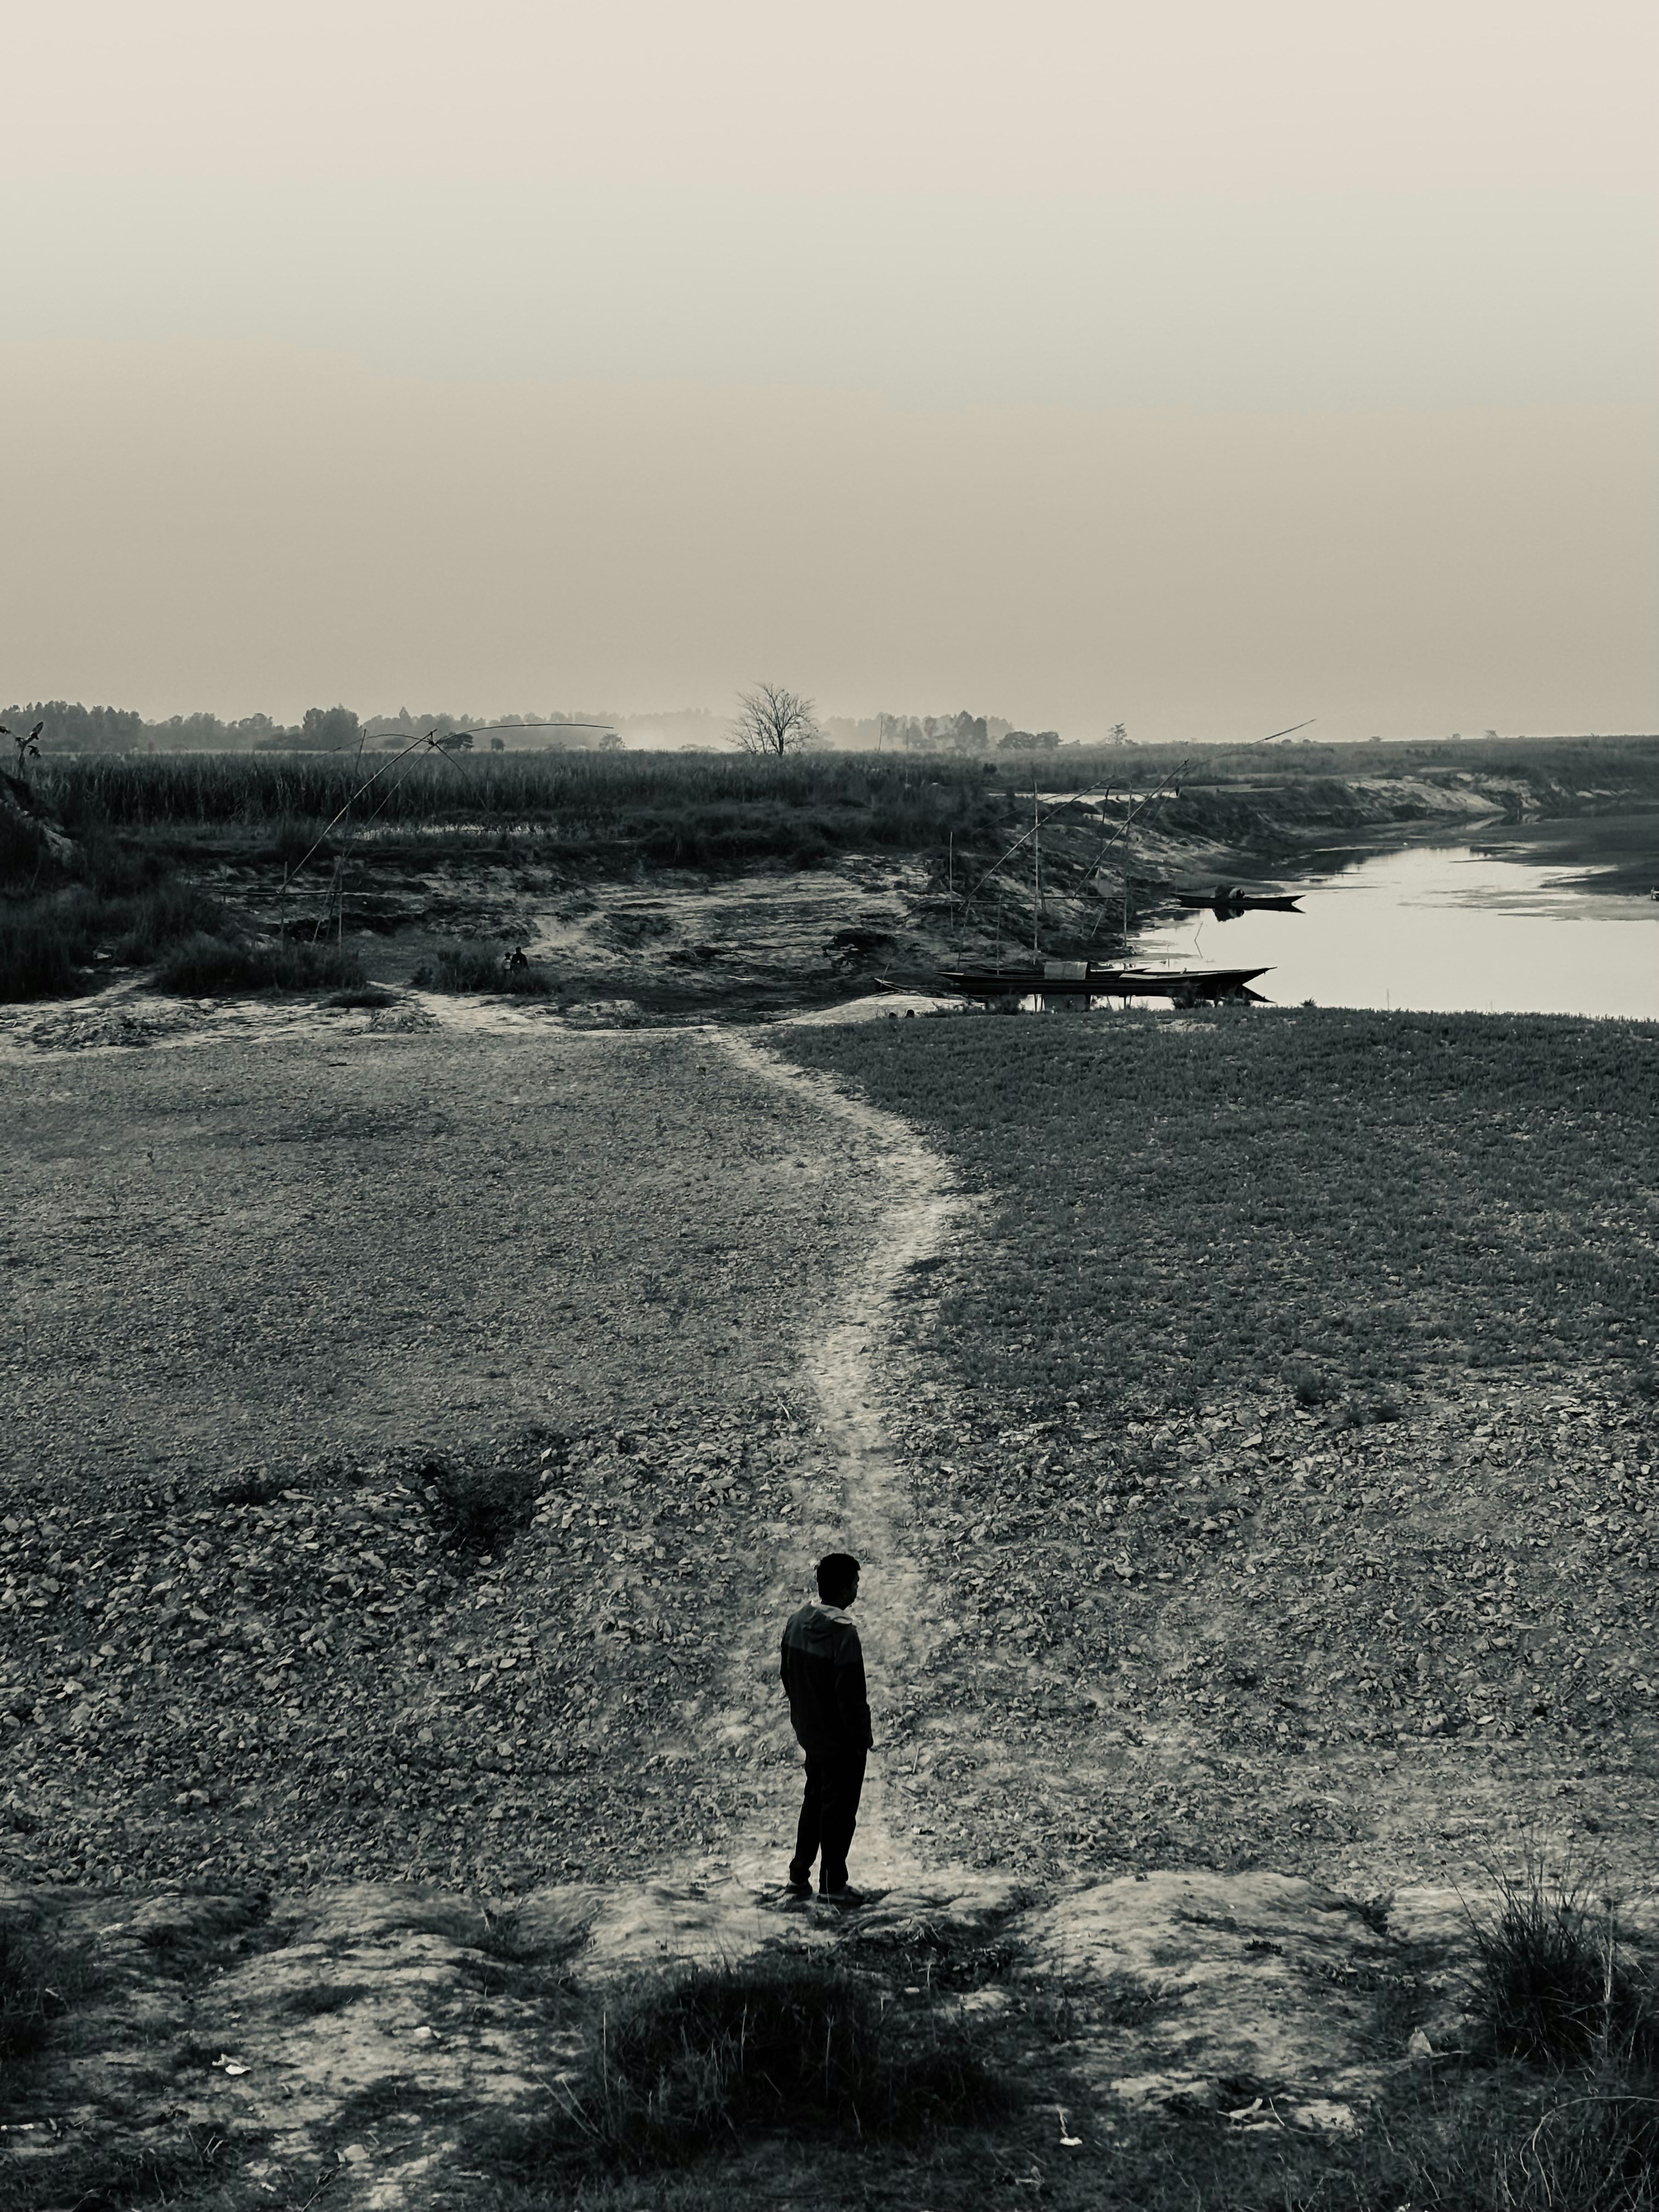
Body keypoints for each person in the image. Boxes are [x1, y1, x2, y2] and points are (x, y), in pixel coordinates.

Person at [780, 1553, 872, 1907]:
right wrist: (861, 1737)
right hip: (841, 1744)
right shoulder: (844, 1635)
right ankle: (834, 1884)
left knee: (814, 1802)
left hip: (811, 1735)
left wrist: (805, 1716)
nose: (857, 1588)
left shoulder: (797, 1621)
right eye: (855, 1583)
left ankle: (798, 1876)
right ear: (846, 1587)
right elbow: (850, 1697)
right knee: (839, 1813)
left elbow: (786, 1674)